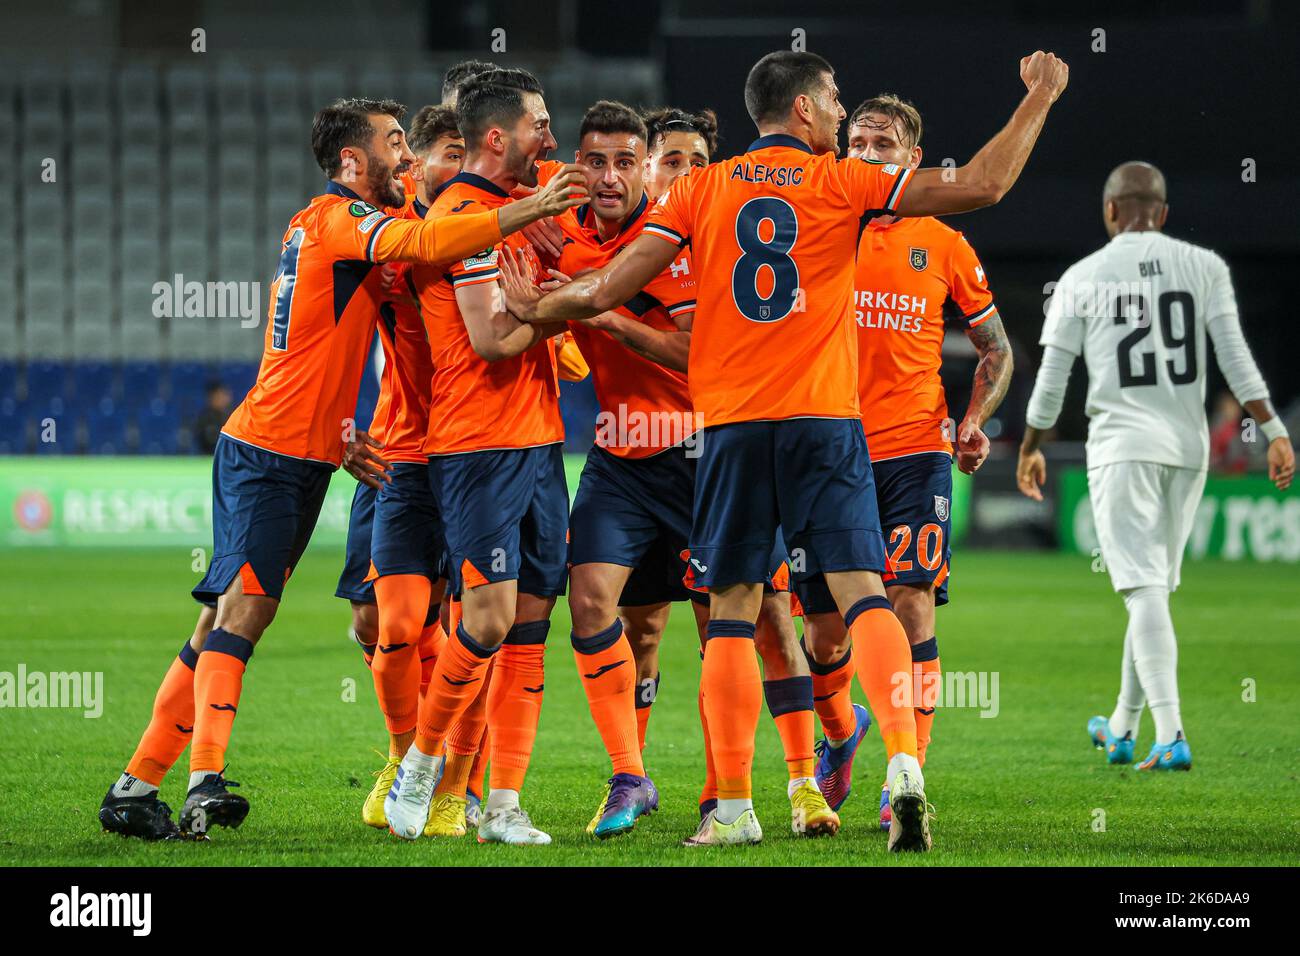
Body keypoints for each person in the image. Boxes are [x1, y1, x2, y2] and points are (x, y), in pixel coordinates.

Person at [499, 49, 1070, 850]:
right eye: (834, 98)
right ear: (804, 109)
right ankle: (905, 763)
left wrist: (542, 302)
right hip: (826, 423)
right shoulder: (845, 182)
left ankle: (732, 807)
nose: (841, 112)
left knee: (730, 611)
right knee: (865, 592)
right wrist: (1040, 97)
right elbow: (983, 183)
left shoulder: (702, 186)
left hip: (731, 427)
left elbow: (607, 288)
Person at [97, 95, 586, 841]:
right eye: (396, 144)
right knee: (249, 612)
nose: (405, 159)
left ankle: (138, 785)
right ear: (354, 162)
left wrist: (335, 433)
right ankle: (205, 782)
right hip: (274, 451)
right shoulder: (343, 220)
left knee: (217, 624)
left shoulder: (338, 232)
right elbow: (427, 247)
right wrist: (524, 213)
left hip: (307, 450)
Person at [1017, 160, 1294, 772]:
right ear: (1163, 214)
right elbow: (1235, 357)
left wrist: (1033, 445)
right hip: (1188, 450)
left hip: (1122, 447)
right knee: (1154, 591)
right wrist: (1273, 429)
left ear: (1111, 211)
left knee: (1143, 590)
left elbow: (1053, 381)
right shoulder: (1206, 266)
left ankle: (1170, 735)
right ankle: (1122, 726)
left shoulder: (1083, 277)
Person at [797, 94, 1013, 832]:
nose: (866, 153)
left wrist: (975, 418)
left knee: (910, 603)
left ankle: (905, 774)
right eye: (855, 141)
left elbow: (996, 350)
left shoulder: (944, 243)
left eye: (883, 143)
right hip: (826, 445)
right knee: (824, 635)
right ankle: (840, 734)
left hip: (916, 448)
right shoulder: (818, 225)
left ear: (913, 160)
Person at [384, 70, 576, 846]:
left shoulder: (511, 211)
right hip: (479, 445)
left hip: (539, 439)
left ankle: (501, 805)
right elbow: (494, 339)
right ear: (497, 137)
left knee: (530, 625)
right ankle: (422, 769)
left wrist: (560, 301)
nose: (551, 139)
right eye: (540, 124)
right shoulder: (465, 215)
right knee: (489, 619)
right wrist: (568, 307)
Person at [191, 382, 232, 455]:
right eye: (218, 396)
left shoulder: (232, 416)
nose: (223, 399)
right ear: (211, 397)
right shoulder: (205, 418)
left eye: (224, 395)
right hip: (206, 459)